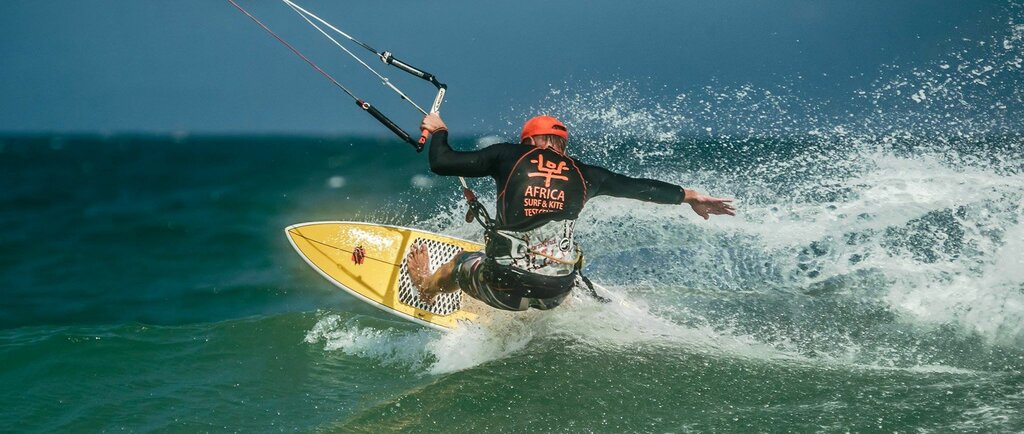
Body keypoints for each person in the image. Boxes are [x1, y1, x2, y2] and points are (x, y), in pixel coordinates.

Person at [408, 113, 735, 311]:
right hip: (555, 293)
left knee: (461, 262)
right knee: (555, 266)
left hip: (505, 285)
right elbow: (637, 187)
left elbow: (442, 162)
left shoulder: (508, 155)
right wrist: (690, 196)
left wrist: (439, 130)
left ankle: (426, 286)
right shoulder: (585, 174)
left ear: (528, 141)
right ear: (562, 145)